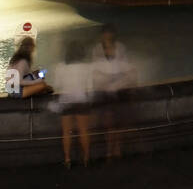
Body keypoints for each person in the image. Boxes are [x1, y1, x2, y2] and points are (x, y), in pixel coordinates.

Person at [90, 27, 138, 160]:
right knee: (109, 123)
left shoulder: (120, 47)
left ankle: (116, 148)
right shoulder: (97, 49)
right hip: (105, 91)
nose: (107, 36)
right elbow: (95, 70)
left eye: (109, 34)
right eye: (105, 34)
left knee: (118, 122)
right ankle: (110, 149)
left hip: (119, 89)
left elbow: (127, 68)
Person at [53, 38, 97, 168]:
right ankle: (86, 158)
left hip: (66, 100)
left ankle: (67, 160)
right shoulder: (87, 67)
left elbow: (57, 85)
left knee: (66, 132)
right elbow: (90, 88)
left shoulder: (60, 67)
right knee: (84, 130)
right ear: (81, 52)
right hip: (82, 100)